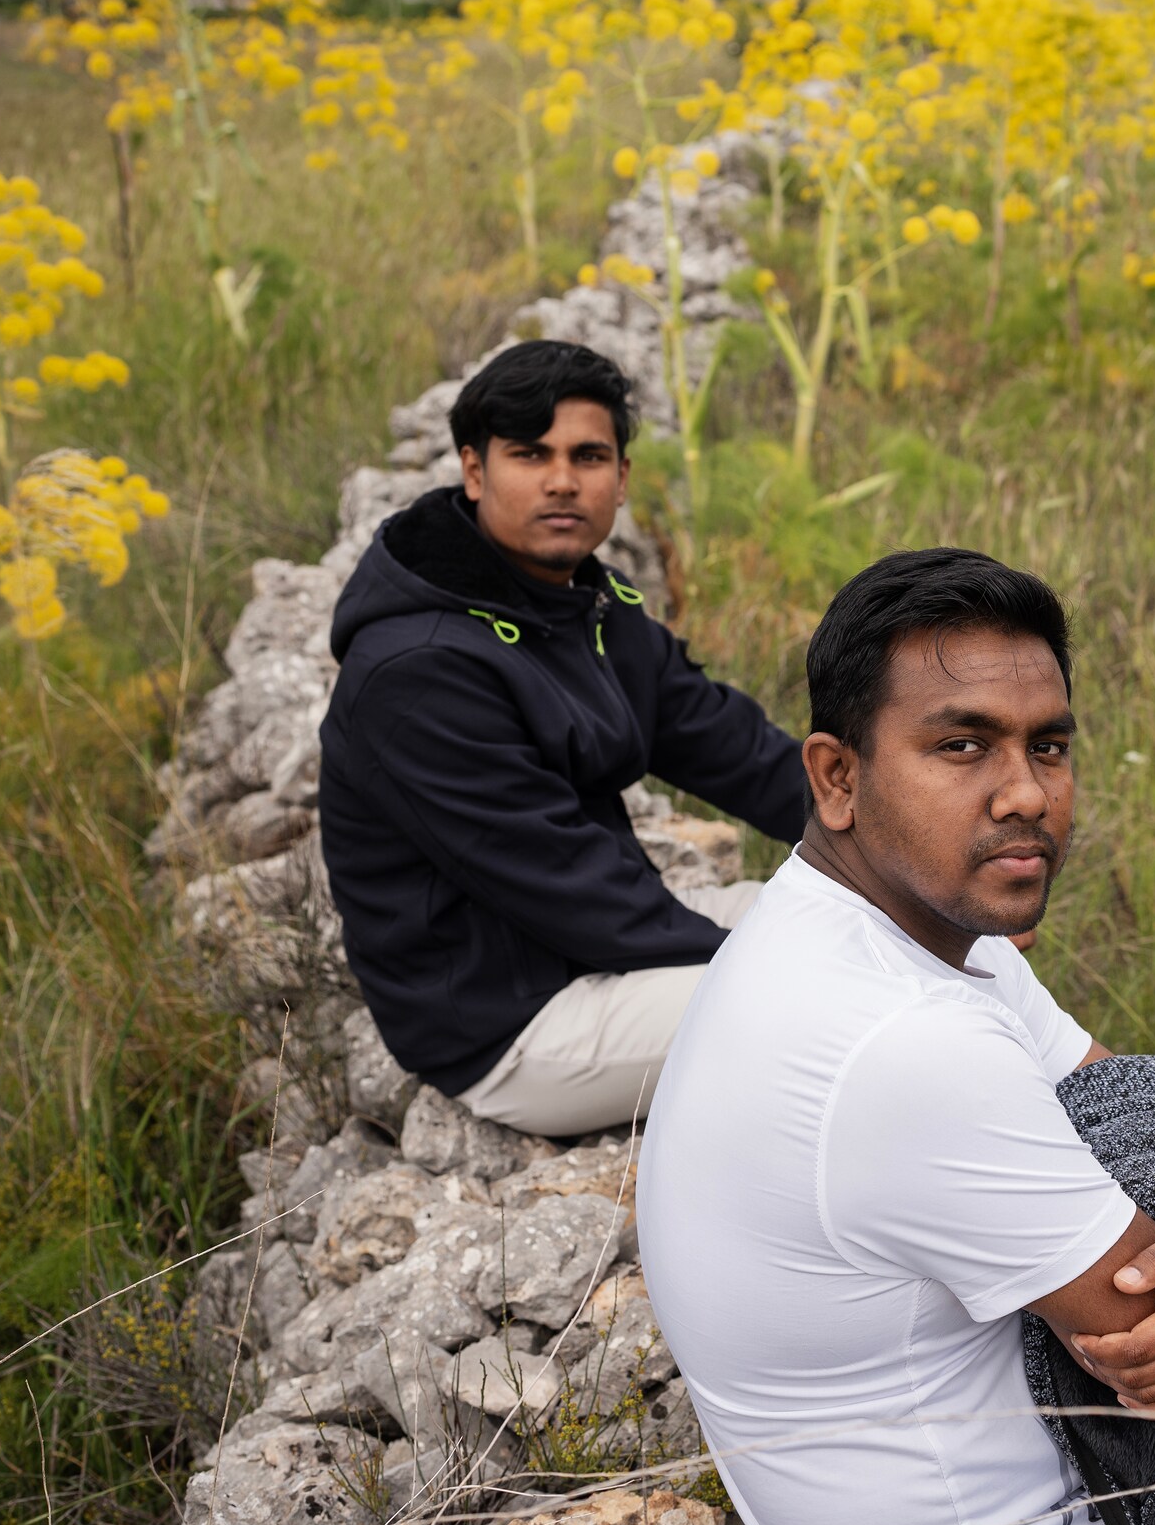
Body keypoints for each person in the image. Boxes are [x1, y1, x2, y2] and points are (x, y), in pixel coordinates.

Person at [638, 548, 1155, 1525]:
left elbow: (1122, 1097)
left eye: (1049, 746)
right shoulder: (898, 1040)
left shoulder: (901, 928)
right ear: (835, 777)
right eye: (962, 746)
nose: (1024, 793)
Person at [318, 339, 807, 1137]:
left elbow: (739, 751)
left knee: (926, 935)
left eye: (588, 455)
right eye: (528, 454)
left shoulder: (585, 605)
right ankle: (1042, 1209)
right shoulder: (416, 671)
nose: (561, 480)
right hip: (515, 1024)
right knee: (856, 990)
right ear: (474, 472)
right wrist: (764, 955)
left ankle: (1091, 1138)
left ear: (620, 478)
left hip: (600, 957)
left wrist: (913, 865)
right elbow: (569, 885)